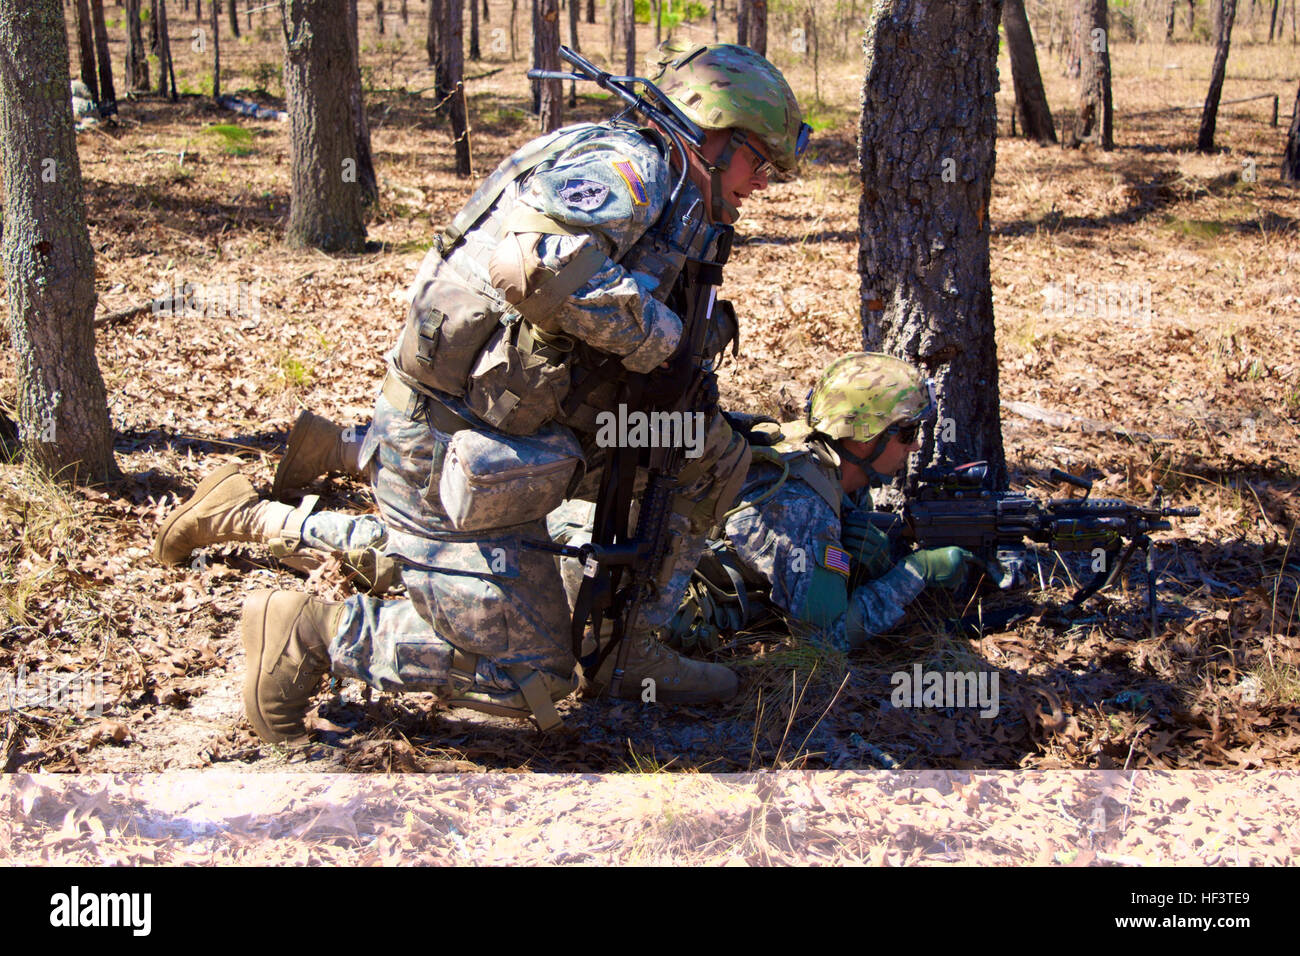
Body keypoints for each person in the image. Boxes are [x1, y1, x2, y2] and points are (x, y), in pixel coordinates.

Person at [154, 43, 812, 744]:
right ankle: (313, 632)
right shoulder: (632, 170)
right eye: (759, 161)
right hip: (447, 450)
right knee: (534, 682)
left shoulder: (675, 195)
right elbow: (534, 265)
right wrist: (664, 341)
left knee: (710, 457)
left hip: (526, 435)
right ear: (711, 133)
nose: (764, 183)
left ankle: (629, 647)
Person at [661, 352, 980, 653]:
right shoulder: (803, 503)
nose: (915, 447)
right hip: (674, 617)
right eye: (908, 433)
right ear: (866, 438)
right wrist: (916, 572)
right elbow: (827, 641)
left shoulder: (831, 466)